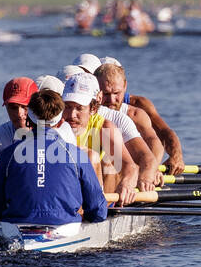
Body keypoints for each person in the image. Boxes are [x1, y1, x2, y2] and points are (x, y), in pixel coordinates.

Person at [0, 90, 109, 230]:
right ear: (60, 120)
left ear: (29, 119)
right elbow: (98, 211)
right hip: (65, 226)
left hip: (17, 226)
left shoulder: (8, 154)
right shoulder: (77, 154)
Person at [0, 77, 73, 193]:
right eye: (13, 107)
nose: (19, 114)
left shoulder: (61, 129)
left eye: (25, 107)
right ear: (6, 107)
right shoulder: (0, 134)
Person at [60, 73, 153, 205]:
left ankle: (104, 209)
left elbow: (130, 167)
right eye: (67, 106)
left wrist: (126, 183)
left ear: (93, 108)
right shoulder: (54, 123)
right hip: (66, 190)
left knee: (104, 161)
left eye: (79, 108)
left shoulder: (105, 127)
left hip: (97, 194)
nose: (71, 115)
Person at [94, 62, 184, 177]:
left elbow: (155, 141)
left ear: (125, 86)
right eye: (106, 94)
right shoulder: (80, 112)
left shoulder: (135, 113)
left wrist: (151, 169)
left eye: (116, 93)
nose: (111, 100)